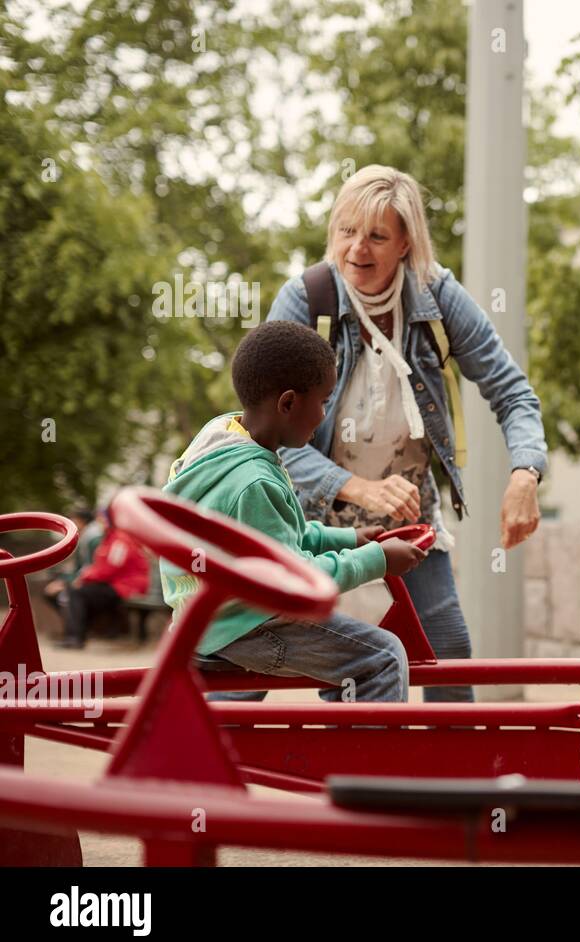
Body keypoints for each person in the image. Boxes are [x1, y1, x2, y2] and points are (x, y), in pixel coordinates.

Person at [266, 164, 548, 702]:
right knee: (259, 647)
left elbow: (512, 392)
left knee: (447, 650)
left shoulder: (437, 297)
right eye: (346, 231)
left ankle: (457, 781)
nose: (356, 250)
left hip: (405, 509)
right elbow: (266, 437)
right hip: (304, 508)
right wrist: (355, 487)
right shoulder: (308, 299)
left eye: (376, 235)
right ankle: (194, 768)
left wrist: (526, 471)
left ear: (405, 243)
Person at [159, 320, 428, 702]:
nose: (323, 416)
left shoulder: (224, 439)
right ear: (287, 403)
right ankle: (365, 762)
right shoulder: (255, 481)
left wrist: (350, 538)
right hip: (245, 626)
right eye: (322, 401)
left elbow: (280, 539)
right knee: (381, 657)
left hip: (207, 622)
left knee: (329, 661)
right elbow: (295, 578)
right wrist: (375, 561)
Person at [57, 511, 149, 650]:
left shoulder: (120, 540)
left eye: (102, 520)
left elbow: (109, 569)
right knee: (79, 592)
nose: (100, 523)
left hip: (127, 587)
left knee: (77, 593)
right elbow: (101, 566)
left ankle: (75, 638)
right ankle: (77, 635)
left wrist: (84, 578)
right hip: (117, 585)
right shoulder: (110, 538)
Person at [43, 507, 103, 615]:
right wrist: (63, 581)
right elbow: (79, 567)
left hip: (92, 582)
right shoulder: (84, 538)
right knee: (51, 591)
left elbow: (93, 567)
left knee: (70, 594)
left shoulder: (94, 539)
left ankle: (76, 627)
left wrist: (67, 583)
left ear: (82, 521)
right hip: (84, 579)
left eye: (74, 519)